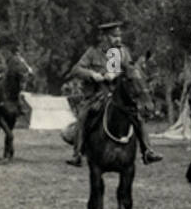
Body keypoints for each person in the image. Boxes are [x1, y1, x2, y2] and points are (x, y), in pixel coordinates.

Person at [66, 20, 162, 166]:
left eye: (119, 36)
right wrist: (93, 74)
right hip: (97, 95)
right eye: (114, 36)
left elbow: (130, 70)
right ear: (104, 37)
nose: (118, 39)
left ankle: (147, 151)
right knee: (83, 116)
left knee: (136, 116)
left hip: (117, 95)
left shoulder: (121, 52)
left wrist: (116, 73)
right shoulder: (93, 52)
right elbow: (76, 69)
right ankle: (77, 154)